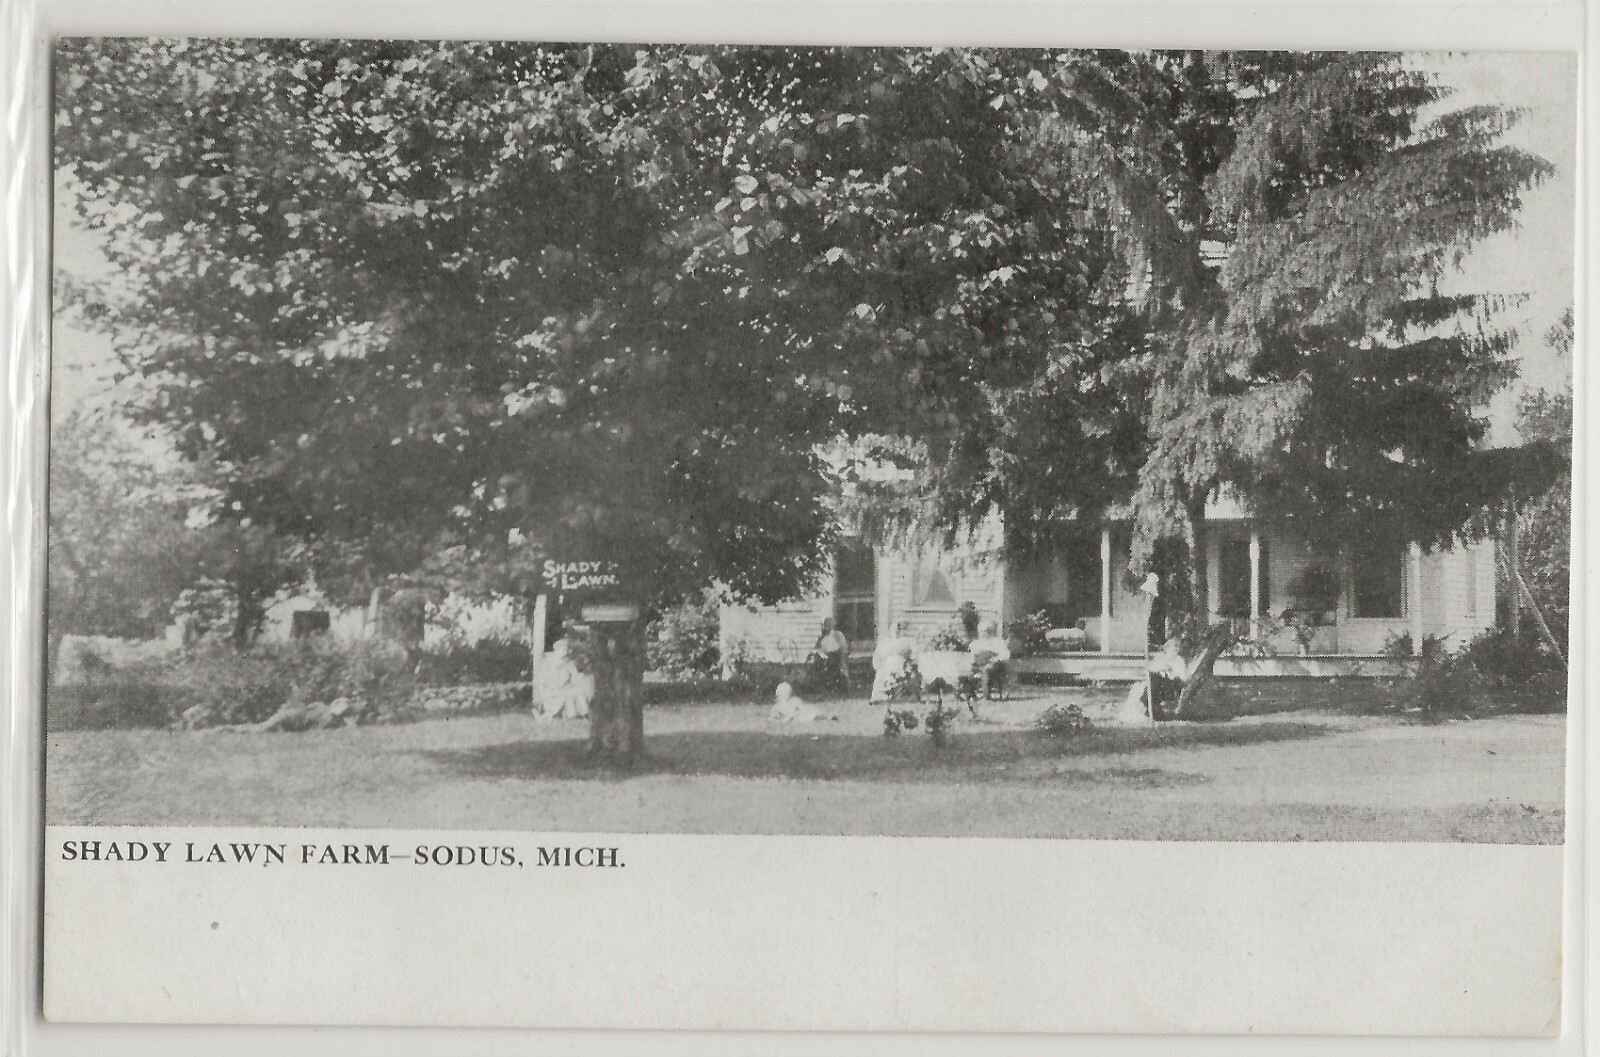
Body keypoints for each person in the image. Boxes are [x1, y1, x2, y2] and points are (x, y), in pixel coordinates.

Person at [869, 621, 921, 704]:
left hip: (901, 664)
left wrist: (910, 663)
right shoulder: (885, 642)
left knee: (906, 675)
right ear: (890, 630)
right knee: (882, 675)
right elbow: (877, 655)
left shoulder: (905, 642)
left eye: (897, 629)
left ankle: (901, 696)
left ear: (900, 630)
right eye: (893, 629)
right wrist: (878, 666)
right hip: (886, 665)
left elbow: (914, 654)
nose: (896, 631)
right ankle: (881, 697)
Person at [805, 617, 851, 694]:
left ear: (832, 626)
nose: (826, 628)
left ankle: (839, 685)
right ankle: (817, 685)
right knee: (816, 663)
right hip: (825, 657)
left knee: (832, 664)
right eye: (825, 626)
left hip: (837, 656)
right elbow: (816, 648)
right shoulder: (822, 637)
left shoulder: (837, 635)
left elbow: (843, 647)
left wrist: (836, 653)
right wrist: (813, 653)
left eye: (828, 625)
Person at [967, 621, 1011, 701]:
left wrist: (995, 659)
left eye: (987, 631)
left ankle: (986, 695)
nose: (984, 633)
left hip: (995, 666)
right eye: (982, 631)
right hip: (979, 665)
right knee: (969, 671)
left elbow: (1006, 655)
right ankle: (972, 694)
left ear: (992, 631)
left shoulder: (998, 642)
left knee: (986, 669)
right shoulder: (976, 643)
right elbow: (972, 656)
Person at [770, 681, 836, 722]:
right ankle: (827, 717)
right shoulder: (777, 706)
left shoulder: (794, 700)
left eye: (787, 692)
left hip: (803, 714)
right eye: (784, 692)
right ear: (778, 694)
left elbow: (800, 709)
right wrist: (783, 719)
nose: (786, 694)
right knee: (813, 717)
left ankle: (829, 717)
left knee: (815, 715)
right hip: (796, 718)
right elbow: (773, 717)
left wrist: (791, 716)